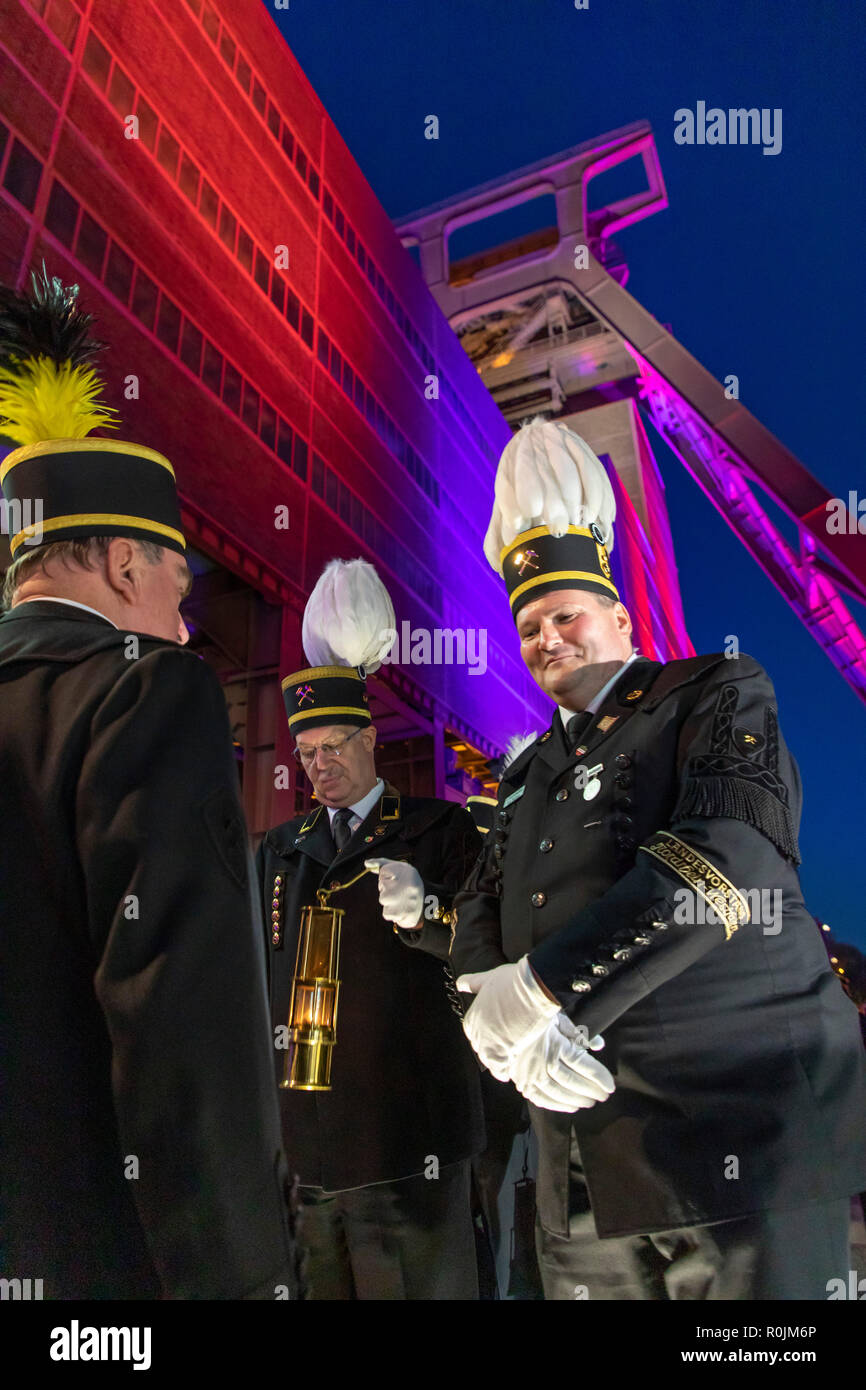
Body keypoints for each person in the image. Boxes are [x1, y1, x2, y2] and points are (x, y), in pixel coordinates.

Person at [451, 416, 866, 1300]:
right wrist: (493, 1019)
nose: (548, 638)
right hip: (581, 1172)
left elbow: (726, 862)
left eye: (566, 615)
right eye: (529, 626)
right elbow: (480, 901)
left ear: (619, 616)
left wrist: (547, 995)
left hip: (735, 1147)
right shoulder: (524, 774)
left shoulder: (715, 692)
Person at [0, 269, 299, 1298]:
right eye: (178, 590)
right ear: (125, 562)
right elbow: (183, 1030)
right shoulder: (144, 690)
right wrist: (244, 1275)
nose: (182, 625)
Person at [257, 558, 485, 1300]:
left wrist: (431, 911)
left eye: (334, 746)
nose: (320, 766)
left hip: (408, 1144)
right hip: (306, 1152)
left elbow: (488, 948)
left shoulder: (439, 830)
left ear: (369, 739)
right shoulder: (279, 850)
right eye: (307, 753)